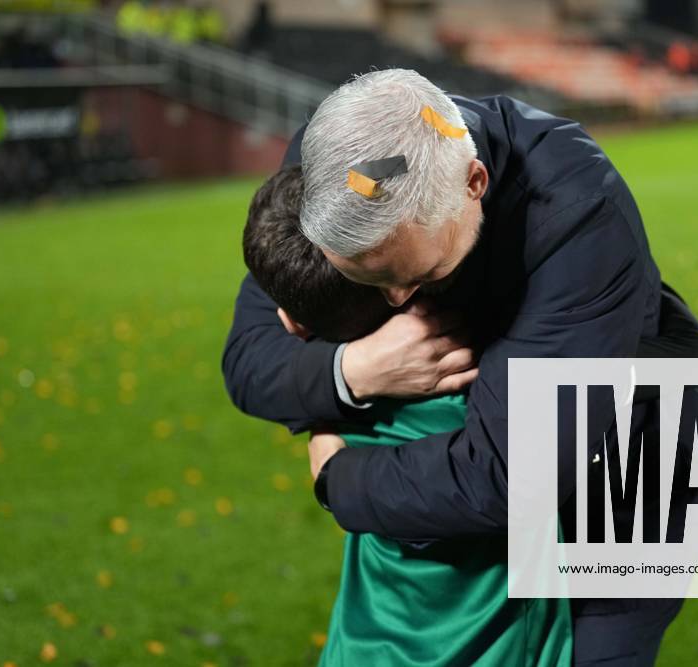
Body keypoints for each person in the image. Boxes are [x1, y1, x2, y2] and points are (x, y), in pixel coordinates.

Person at [223, 70, 698, 664]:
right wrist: (358, 369)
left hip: (623, 482)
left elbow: (510, 475)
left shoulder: (574, 213)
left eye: (423, 276)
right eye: (370, 280)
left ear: (474, 181)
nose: (402, 307)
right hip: (479, 492)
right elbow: (251, 356)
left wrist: (341, 478)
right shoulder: (339, 168)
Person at [242, 164, 573, 666]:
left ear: (292, 324)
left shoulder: (340, 410)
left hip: (360, 649)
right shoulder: (503, 382)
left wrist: (333, 464)